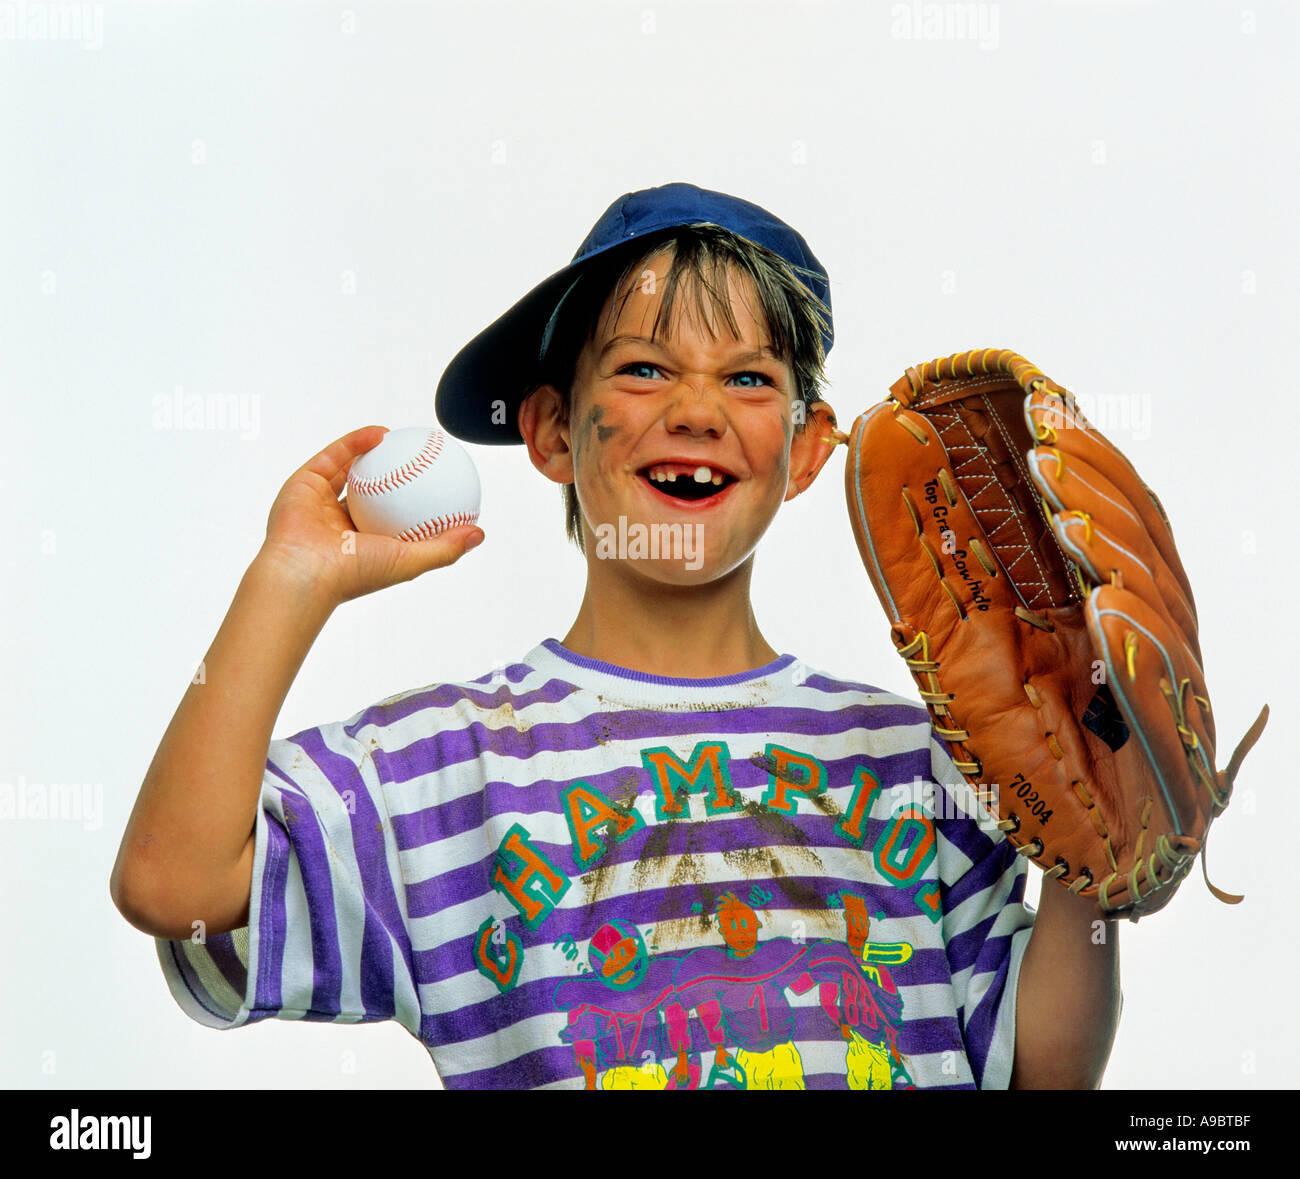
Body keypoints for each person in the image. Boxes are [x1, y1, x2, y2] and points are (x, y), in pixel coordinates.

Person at [110, 182, 1119, 1089]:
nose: (694, 412)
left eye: (750, 379)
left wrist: (1102, 850)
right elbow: (171, 884)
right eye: (643, 369)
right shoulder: (439, 768)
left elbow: (1041, 1069)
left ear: (809, 450)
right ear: (551, 431)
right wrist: (289, 583)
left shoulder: (924, 755)